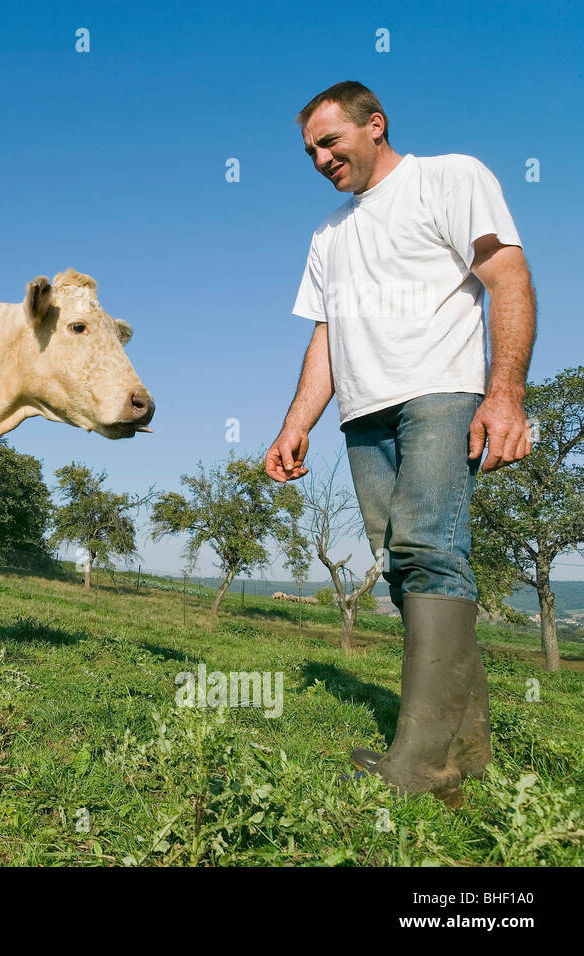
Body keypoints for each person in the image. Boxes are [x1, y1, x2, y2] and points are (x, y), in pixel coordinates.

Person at [265, 81, 536, 808]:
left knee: (430, 550)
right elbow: (325, 335)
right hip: (364, 414)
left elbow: (507, 276)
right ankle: (464, 750)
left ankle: (419, 763)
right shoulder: (328, 233)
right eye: (310, 150)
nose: (321, 159)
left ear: (374, 125)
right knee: (403, 567)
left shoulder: (450, 177)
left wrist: (504, 392)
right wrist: (297, 424)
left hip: (440, 394)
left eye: (331, 141)